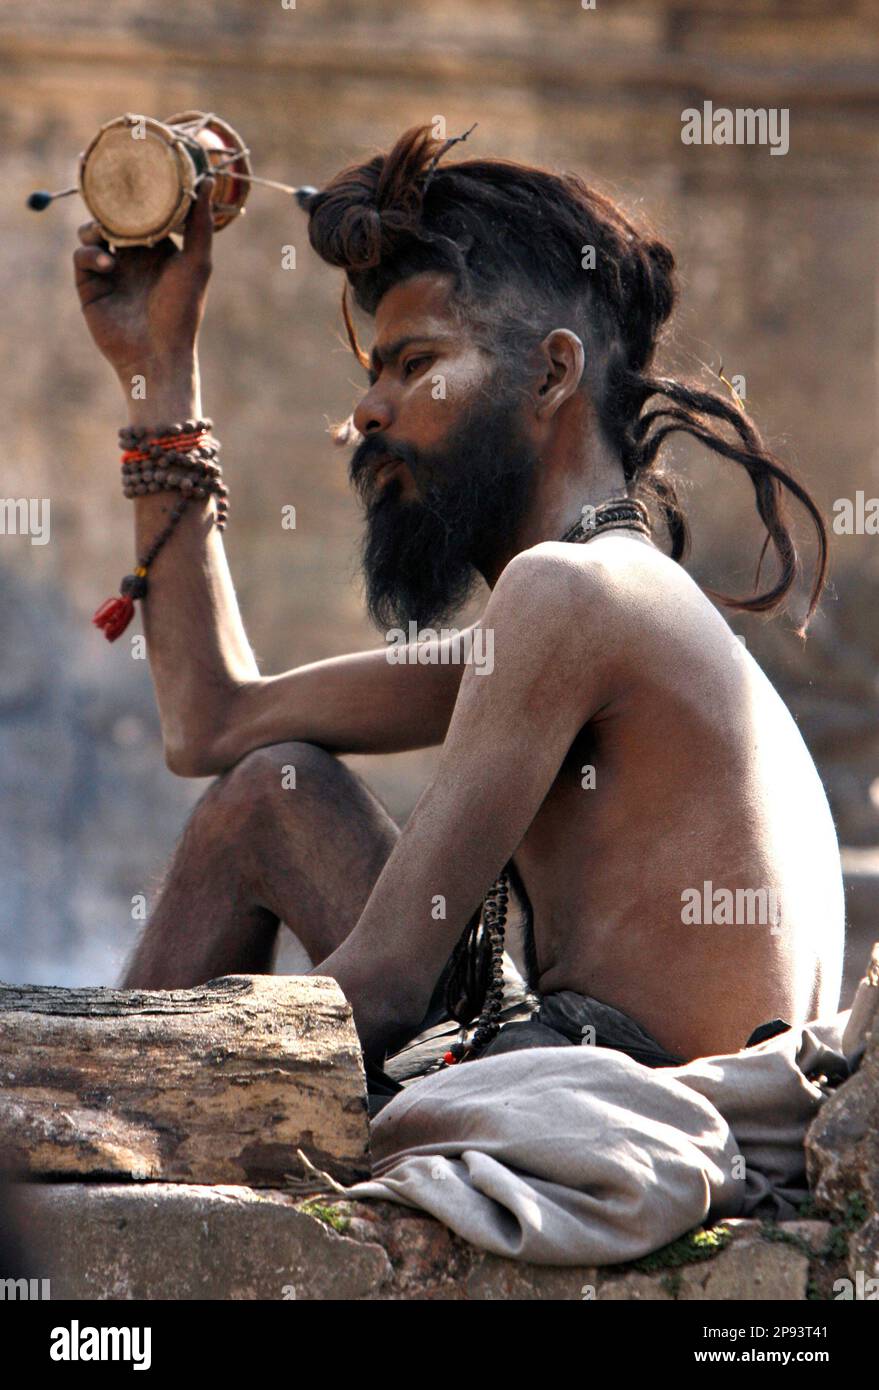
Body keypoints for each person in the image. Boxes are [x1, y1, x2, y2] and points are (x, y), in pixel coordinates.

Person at [72, 124, 844, 1090]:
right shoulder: (586, 609)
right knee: (271, 792)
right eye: (371, 374)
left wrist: (82, 1080)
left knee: (258, 812)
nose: (368, 411)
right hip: (573, 1067)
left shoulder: (574, 593)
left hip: (618, 1098)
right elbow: (214, 720)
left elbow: (382, 990)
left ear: (551, 374)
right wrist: (157, 366)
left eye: (413, 364)